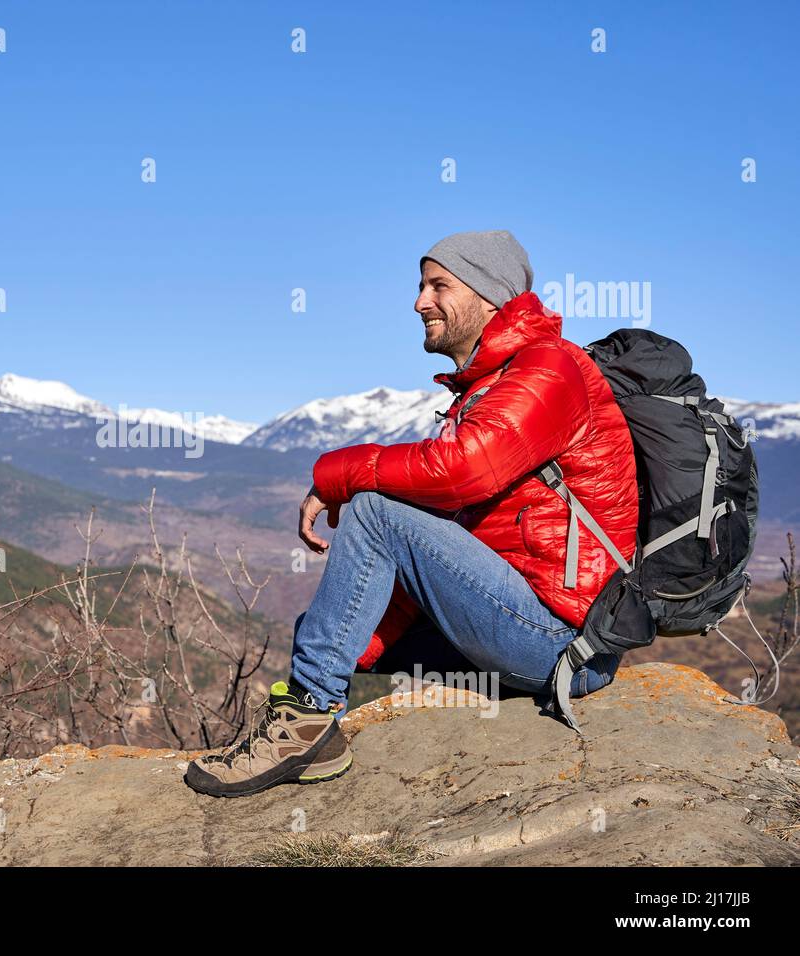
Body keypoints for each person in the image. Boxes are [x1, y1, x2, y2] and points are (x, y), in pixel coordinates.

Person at [186, 230, 639, 798]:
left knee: (375, 508)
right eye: (420, 285)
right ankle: (312, 705)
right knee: (325, 631)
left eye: (438, 285)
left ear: (489, 294)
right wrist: (353, 643)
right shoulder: (492, 385)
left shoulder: (549, 370)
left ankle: (306, 724)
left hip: (564, 639)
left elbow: (461, 469)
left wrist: (336, 477)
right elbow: (441, 534)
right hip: (522, 613)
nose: (420, 301)